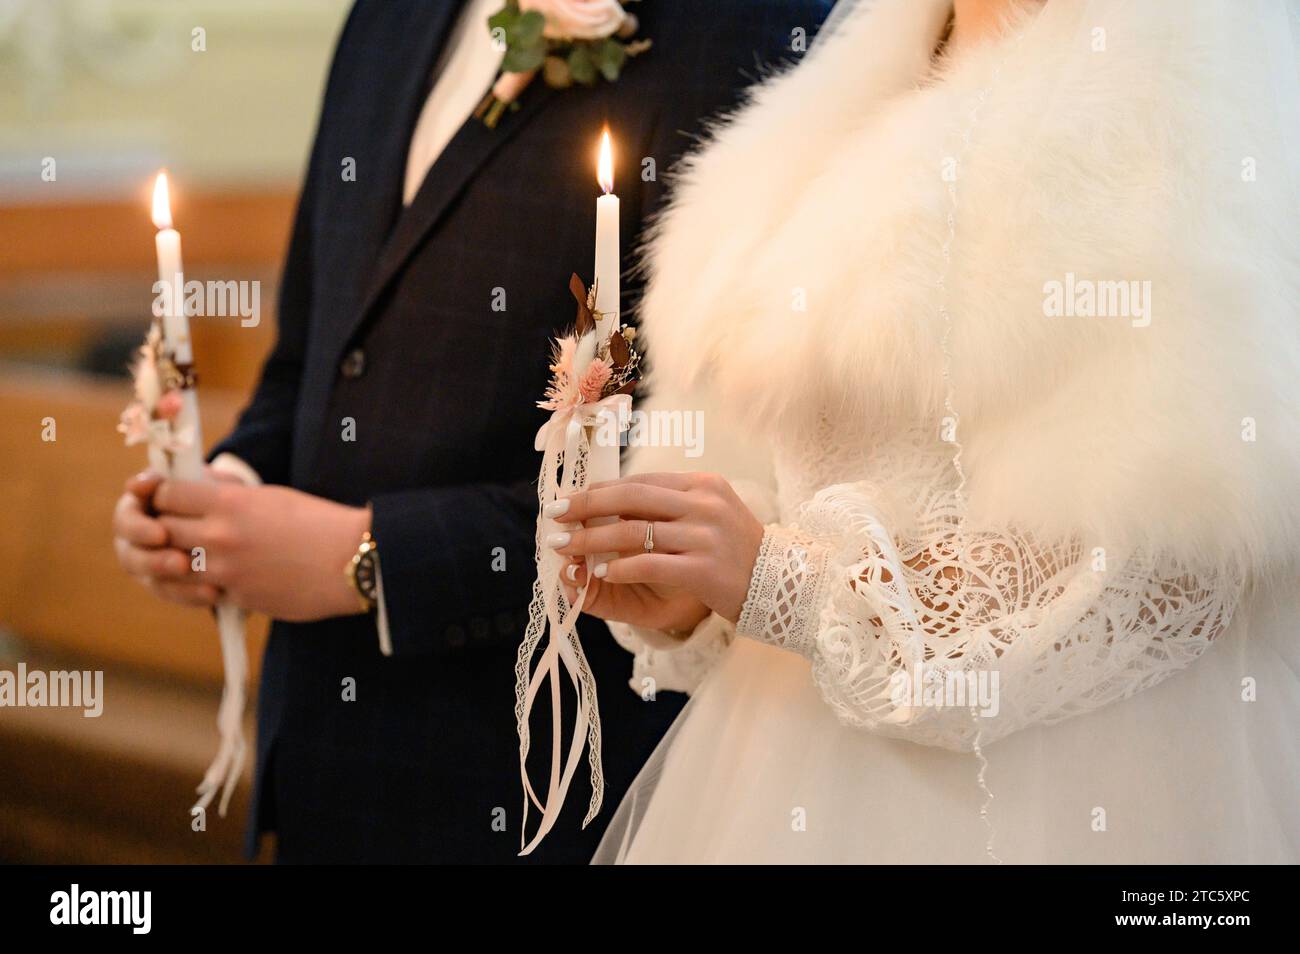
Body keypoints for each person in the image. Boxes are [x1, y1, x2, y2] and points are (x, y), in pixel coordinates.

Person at [553, 0, 1300, 862]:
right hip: (777, 759)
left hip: (1058, 786)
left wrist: (787, 583)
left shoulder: (1187, 59)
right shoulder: (867, 58)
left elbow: (1157, 566)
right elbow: (789, 474)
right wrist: (700, 584)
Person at [112, 0, 832, 863]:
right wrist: (220, 492)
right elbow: (312, 356)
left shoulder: (751, 29)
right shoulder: (386, 19)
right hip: (318, 754)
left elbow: (687, 469)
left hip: (533, 776)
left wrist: (372, 558)